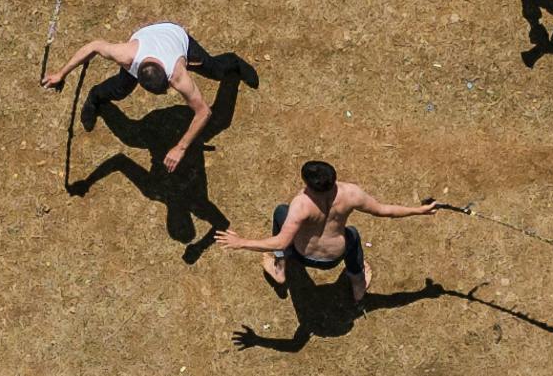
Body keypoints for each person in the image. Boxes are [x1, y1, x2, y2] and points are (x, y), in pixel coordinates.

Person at [218, 159, 444, 296]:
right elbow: (384, 210)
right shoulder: (351, 194)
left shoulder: (301, 205)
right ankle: (358, 284)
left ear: (309, 185)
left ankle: (280, 269)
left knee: (280, 212)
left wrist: (241, 242)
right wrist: (419, 210)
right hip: (333, 258)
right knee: (352, 236)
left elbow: (281, 242)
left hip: (301, 253)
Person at [44, 21, 222, 171]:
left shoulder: (177, 74)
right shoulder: (126, 56)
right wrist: (62, 73)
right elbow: (95, 46)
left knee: (216, 70)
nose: (169, 90)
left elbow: (204, 111)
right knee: (120, 89)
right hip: (146, 40)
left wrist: (180, 148)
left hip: (175, 35)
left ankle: (236, 63)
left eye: (166, 87)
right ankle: (94, 97)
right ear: (137, 73)